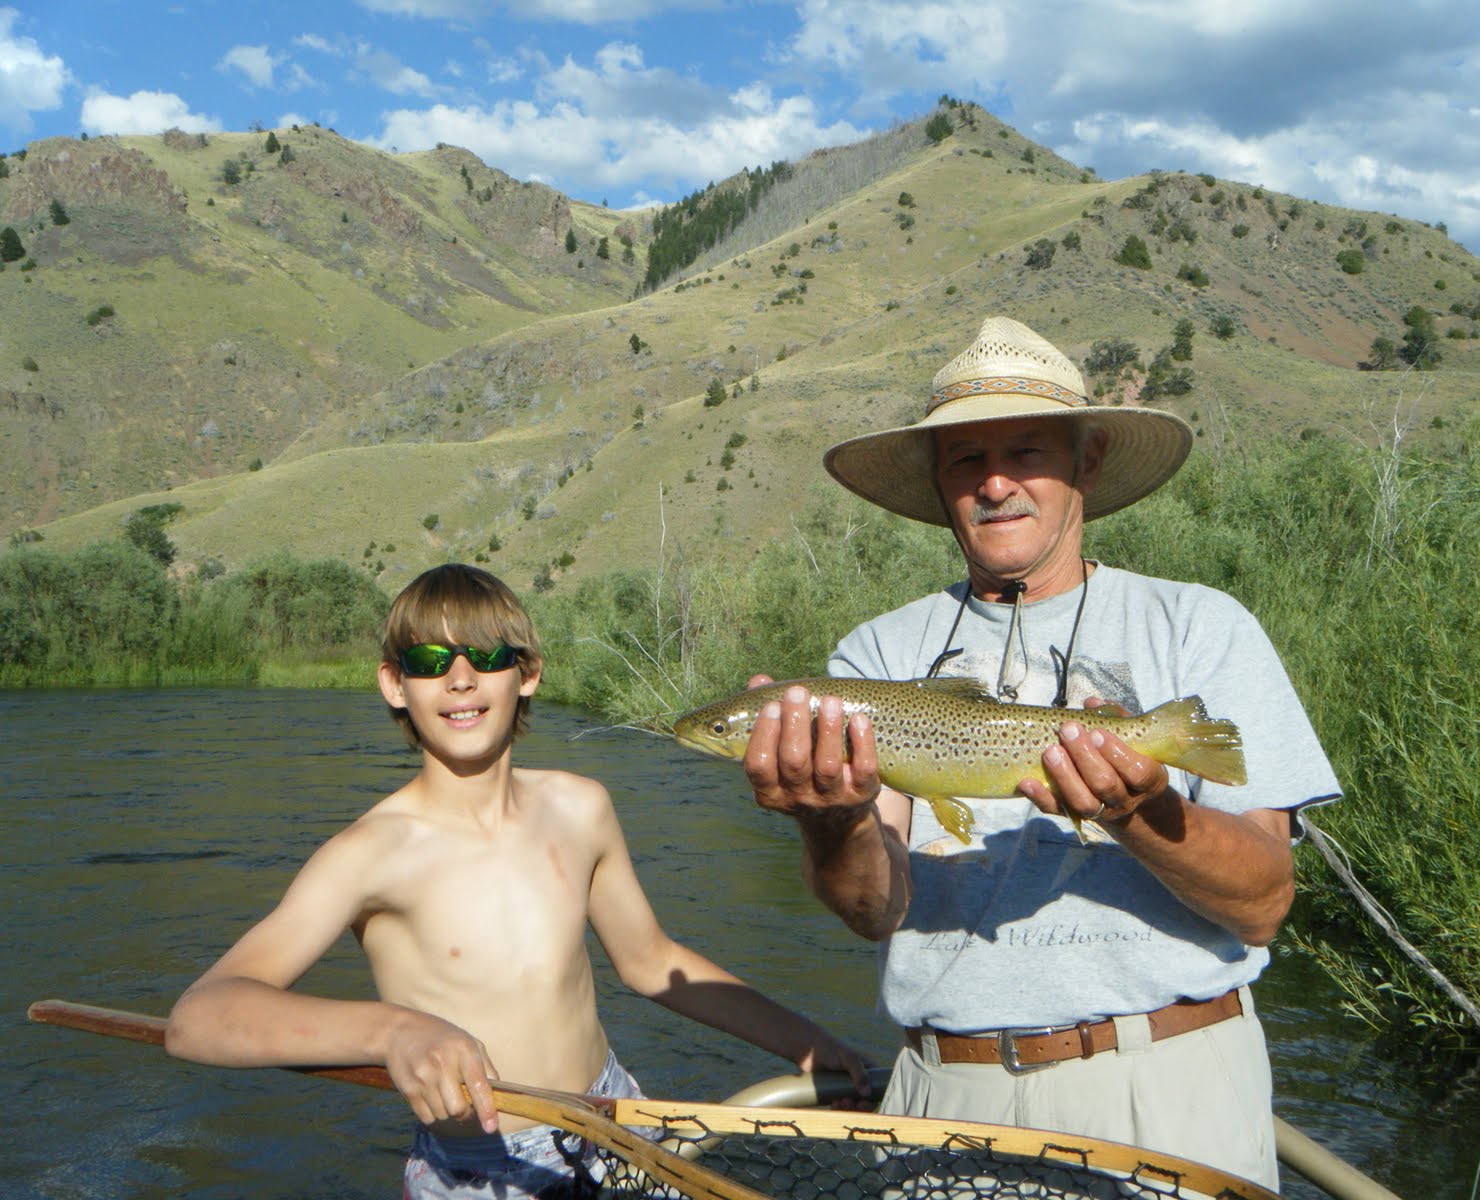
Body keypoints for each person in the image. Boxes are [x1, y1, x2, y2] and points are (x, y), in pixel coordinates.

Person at [741, 316, 1339, 1190]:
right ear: (939, 484)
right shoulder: (872, 655)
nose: (994, 483)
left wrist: (1137, 815)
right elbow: (875, 911)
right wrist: (832, 826)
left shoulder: (1201, 626)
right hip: (946, 1095)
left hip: (1168, 1086)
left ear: (1086, 463)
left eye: (1025, 451)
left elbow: (1264, 904)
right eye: (963, 460)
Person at [166, 562, 867, 1199]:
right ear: (394, 684)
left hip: (617, 1122)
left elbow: (651, 961)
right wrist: (394, 1032)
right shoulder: (369, 853)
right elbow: (200, 1018)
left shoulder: (580, 805)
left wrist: (805, 1042)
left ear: (526, 673)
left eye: (488, 656)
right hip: (480, 1172)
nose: (461, 678)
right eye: (431, 660)